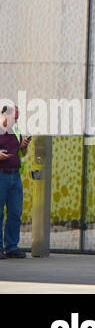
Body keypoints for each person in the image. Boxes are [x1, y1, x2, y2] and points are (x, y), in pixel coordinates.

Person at [0, 106, 31, 258]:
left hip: (15, 175)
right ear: (5, 115)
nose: (16, 121)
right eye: (14, 117)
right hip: (1, 175)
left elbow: (22, 152)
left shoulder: (16, 130)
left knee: (15, 212)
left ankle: (11, 247)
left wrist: (24, 146)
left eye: (17, 118)